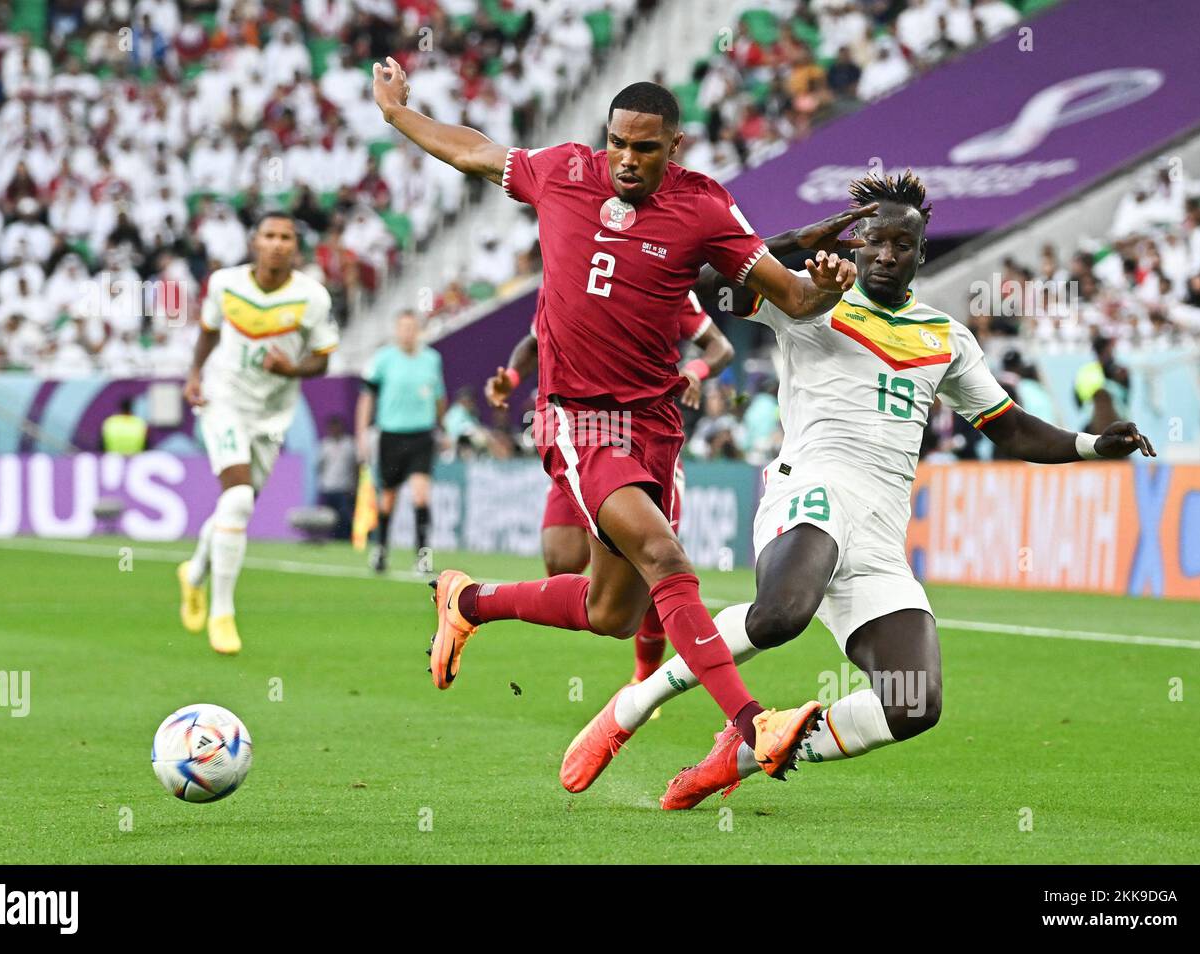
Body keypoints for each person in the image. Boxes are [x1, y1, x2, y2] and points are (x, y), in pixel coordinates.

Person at [575, 171, 1156, 809]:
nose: (886, 254)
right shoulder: (807, 297)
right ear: (856, 244)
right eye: (874, 241)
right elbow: (703, 284)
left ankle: (740, 754)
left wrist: (1091, 445)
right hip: (810, 489)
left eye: (901, 245)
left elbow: (1011, 429)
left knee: (914, 704)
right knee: (781, 615)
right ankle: (634, 703)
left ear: (920, 252)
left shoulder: (946, 338)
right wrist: (793, 246)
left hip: (880, 529)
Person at [373, 57, 867, 786]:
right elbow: (474, 151)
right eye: (618, 143)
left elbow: (791, 300)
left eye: (645, 147)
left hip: (656, 424)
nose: (627, 160)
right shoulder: (562, 171)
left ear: (675, 147)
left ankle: (466, 599)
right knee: (667, 559)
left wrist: (824, 289)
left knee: (610, 610)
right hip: (578, 417)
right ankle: (752, 724)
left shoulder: (704, 208)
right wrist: (398, 116)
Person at [485, 287, 735, 696]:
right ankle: (477, 601)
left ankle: (645, 678)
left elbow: (719, 346)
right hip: (580, 431)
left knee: (655, 563)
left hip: (643, 436)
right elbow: (533, 341)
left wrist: (696, 372)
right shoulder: (565, 274)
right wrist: (512, 378)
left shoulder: (661, 276)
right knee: (563, 560)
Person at [177, 212, 338, 655]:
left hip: (273, 414)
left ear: (295, 248)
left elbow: (323, 359)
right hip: (224, 399)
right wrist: (194, 372)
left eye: (286, 236)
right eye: (269, 235)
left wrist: (292, 368)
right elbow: (208, 331)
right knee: (239, 498)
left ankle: (192, 574)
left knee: (235, 508)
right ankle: (222, 612)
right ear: (254, 242)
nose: (277, 243)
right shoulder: (225, 284)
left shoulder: (312, 298)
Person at [356, 310, 447, 574]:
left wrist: (442, 429)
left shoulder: (432, 359)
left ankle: (423, 557)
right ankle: (381, 550)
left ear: (418, 330)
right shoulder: (383, 359)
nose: (408, 332)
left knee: (421, 496)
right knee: (388, 499)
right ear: (397, 331)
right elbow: (367, 397)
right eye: (403, 327)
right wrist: (362, 432)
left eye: (412, 327)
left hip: (421, 435)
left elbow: (439, 397)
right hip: (391, 436)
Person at [317, 414, 358, 541]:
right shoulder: (325, 445)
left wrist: (355, 485)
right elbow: (320, 466)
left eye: (337, 427)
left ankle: (345, 540)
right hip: (329, 487)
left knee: (345, 517)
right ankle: (331, 540)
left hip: (345, 487)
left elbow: (355, 467)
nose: (335, 430)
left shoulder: (350, 444)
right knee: (329, 518)